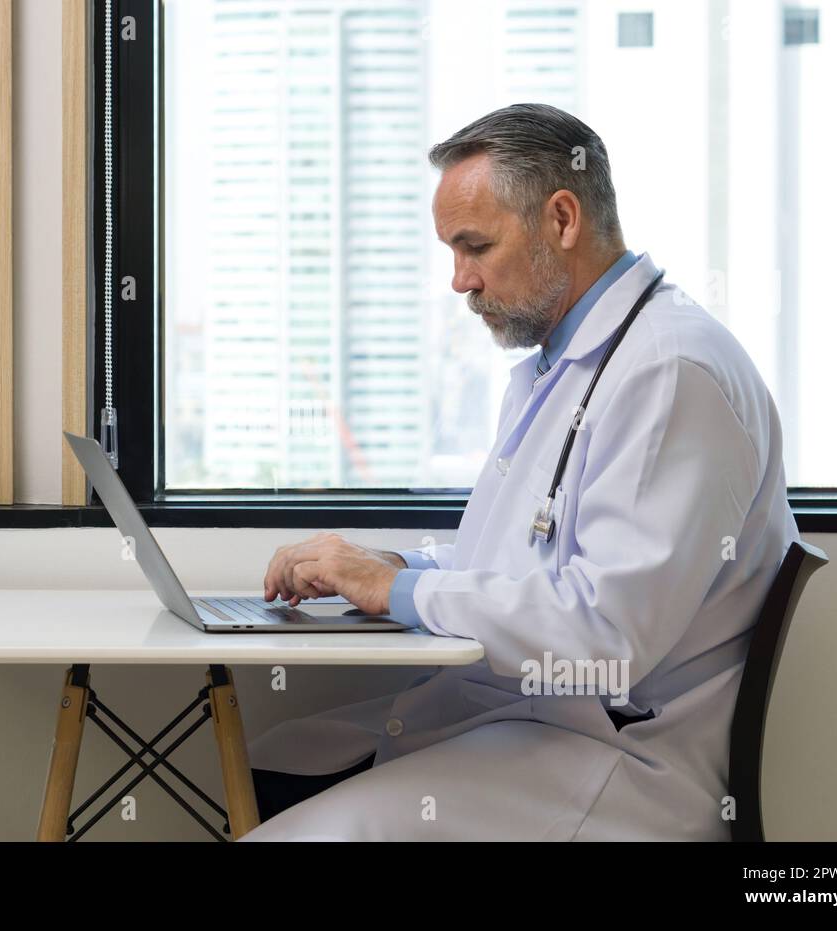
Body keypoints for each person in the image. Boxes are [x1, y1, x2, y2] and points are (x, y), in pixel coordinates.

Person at [240, 103, 801, 841]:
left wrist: (399, 591)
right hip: (536, 721)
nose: (459, 281)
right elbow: (522, 563)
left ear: (562, 219)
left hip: (620, 758)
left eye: (474, 246)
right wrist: (394, 567)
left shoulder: (668, 370)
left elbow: (606, 634)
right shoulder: (559, 365)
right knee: (268, 764)